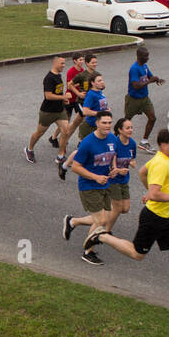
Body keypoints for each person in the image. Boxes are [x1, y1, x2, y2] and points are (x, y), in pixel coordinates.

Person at [86, 130, 169, 307]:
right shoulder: (161, 164)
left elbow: (142, 171)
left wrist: (150, 191)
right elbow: (154, 195)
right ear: (163, 146)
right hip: (154, 218)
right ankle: (101, 236)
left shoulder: (162, 160)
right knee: (137, 254)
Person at [62, 111, 116, 263]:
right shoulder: (88, 142)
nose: (107, 126)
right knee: (100, 221)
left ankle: (73, 222)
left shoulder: (112, 138)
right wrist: (96, 177)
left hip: (106, 184)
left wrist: (114, 168)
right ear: (97, 123)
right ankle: (87, 251)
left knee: (104, 219)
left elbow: (113, 155)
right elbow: (76, 167)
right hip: (89, 186)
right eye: (104, 123)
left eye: (109, 123)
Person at [25, 56, 68, 164]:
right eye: (62, 63)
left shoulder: (58, 76)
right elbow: (48, 96)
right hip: (48, 112)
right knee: (39, 133)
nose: (64, 65)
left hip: (60, 111)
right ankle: (29, 149)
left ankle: (60, 156)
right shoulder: (49, 78)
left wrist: (63, 100)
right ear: (55, 63)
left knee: (65, 131)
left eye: (64, 63)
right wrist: (63, 97)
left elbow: (58, 92)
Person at [126, 46, 164, 151]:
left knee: (152, 118)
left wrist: (157, 79)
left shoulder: (145, 66)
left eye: (148, 56)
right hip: (133, 99)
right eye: (145, 56)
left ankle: (144, 142)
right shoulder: (134, 69)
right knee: (126, 121)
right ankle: (116, 139)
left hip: (144, 99)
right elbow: (135, 85)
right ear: (139, 56)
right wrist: (150, 81)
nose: (148, 58)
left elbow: (150, 77)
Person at [107, 116, 138, 235]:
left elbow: (132, 158)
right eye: (127, 128)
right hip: (113, 179)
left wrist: (131, 162)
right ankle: (105, 231)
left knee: (125, 209)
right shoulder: (114, 142)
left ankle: (105, 212)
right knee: (118, 207)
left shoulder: (132, 143)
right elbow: (112, 162)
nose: (130, 130)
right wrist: (117, 170)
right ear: (120, 130)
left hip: (124, 179)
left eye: (131, 128)